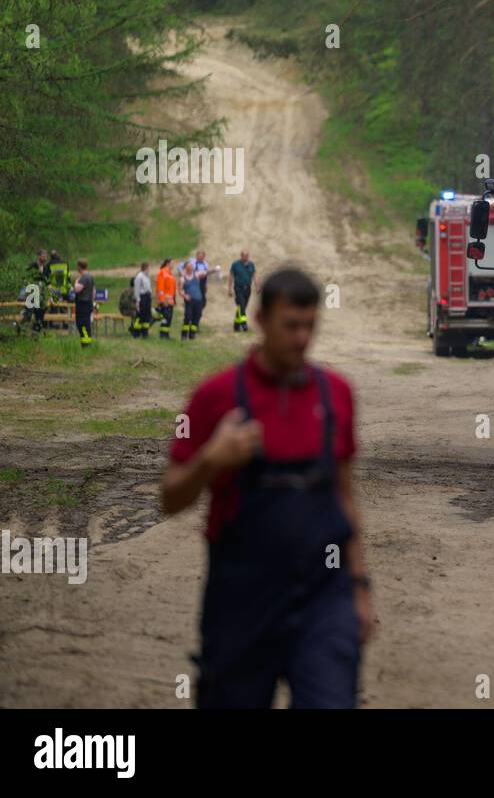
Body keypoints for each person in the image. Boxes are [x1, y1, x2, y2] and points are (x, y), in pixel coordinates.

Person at [160, 267, 375, 708]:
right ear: (260, 321)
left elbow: (344, 496)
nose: (301, 338)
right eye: (290, 326)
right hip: (241, 600)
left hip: (322, 597)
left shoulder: (336, 394)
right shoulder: (215, 396)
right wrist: (211, 461)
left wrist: (359, 587)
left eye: (309, 326)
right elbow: (169, 497)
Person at [20, 248, 51, 335]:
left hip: (42, 294)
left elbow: (48, 282)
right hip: (32, 293)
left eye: (46, 256)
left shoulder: (46, 268)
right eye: (43, 256)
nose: (45, 258)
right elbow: (26, 279)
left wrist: (51, 295)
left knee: (40, 314)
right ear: (39, 256)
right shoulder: (32, 266)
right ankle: (22, 329)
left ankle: (35, 333)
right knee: (28, 314)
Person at [228, 250, 256, 333]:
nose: (246, 257)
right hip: (238, 288)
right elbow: (231, 276)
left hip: (248, 289)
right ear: (241, 256)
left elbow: (254, 275)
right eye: (244, 255)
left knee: (241, 307)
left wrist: (257, 286)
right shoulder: (235, 264)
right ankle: (244, 324)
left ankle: (236, 325)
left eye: (247, 255)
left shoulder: (251, 265)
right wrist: (229, 289)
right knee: (242, 305)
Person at [72, 258, 95, 348]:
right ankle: (87, 343)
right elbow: (94, 290)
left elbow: (77, 290)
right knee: (86, 324)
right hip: (88, 302)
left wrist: (76, 282)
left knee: (82, 324)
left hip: (82, 304)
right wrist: (92, 301)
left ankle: (85, 344)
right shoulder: (90, 276)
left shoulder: (84, 277)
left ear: (79, 266)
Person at [180, 260, 204, 341]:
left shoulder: (196, 275)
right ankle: (184, 334)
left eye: (191, 266)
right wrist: (184, 295)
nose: (191, 268)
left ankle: (192, 334)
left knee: (197, 316)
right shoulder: (183, 279)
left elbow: (205, 273)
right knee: (187, 317)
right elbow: (180, 290)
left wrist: (214, 270)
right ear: (185, 268)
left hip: (198, 300)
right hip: (189, 301)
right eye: (189, 266)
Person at [129, 262, 153, 339]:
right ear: (145, 268)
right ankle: (136, 332)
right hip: (142, 297)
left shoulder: (147, 276)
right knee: (140, 316)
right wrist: (138, 300)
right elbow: (137, 289)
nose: (150, 269)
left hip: (147, 297)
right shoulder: (139, 277)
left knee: (146, 315)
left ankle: (145, 332)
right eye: (149, 267)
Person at [156, 258, 177, 339]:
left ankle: (166, 334)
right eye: (172, 263)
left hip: (170, 301)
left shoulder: (169, 274)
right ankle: (163, 335)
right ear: (168, 263)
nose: (173, 265)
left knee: (169, 318)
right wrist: (162, 300)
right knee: (165, 318)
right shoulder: (162, 273)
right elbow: (160, 288)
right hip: (165, 301)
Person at [194, 250, 210, 333]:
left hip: (202, 286)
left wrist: (206, 285)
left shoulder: (206, 264)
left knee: (203, 304)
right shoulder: (193, 263)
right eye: (199, 256)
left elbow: (207, 276)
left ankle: (196, 321)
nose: (200, 257)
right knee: (197, 304)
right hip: (195, 286)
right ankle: (194, 324)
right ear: (196, 256)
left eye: (202, 256)